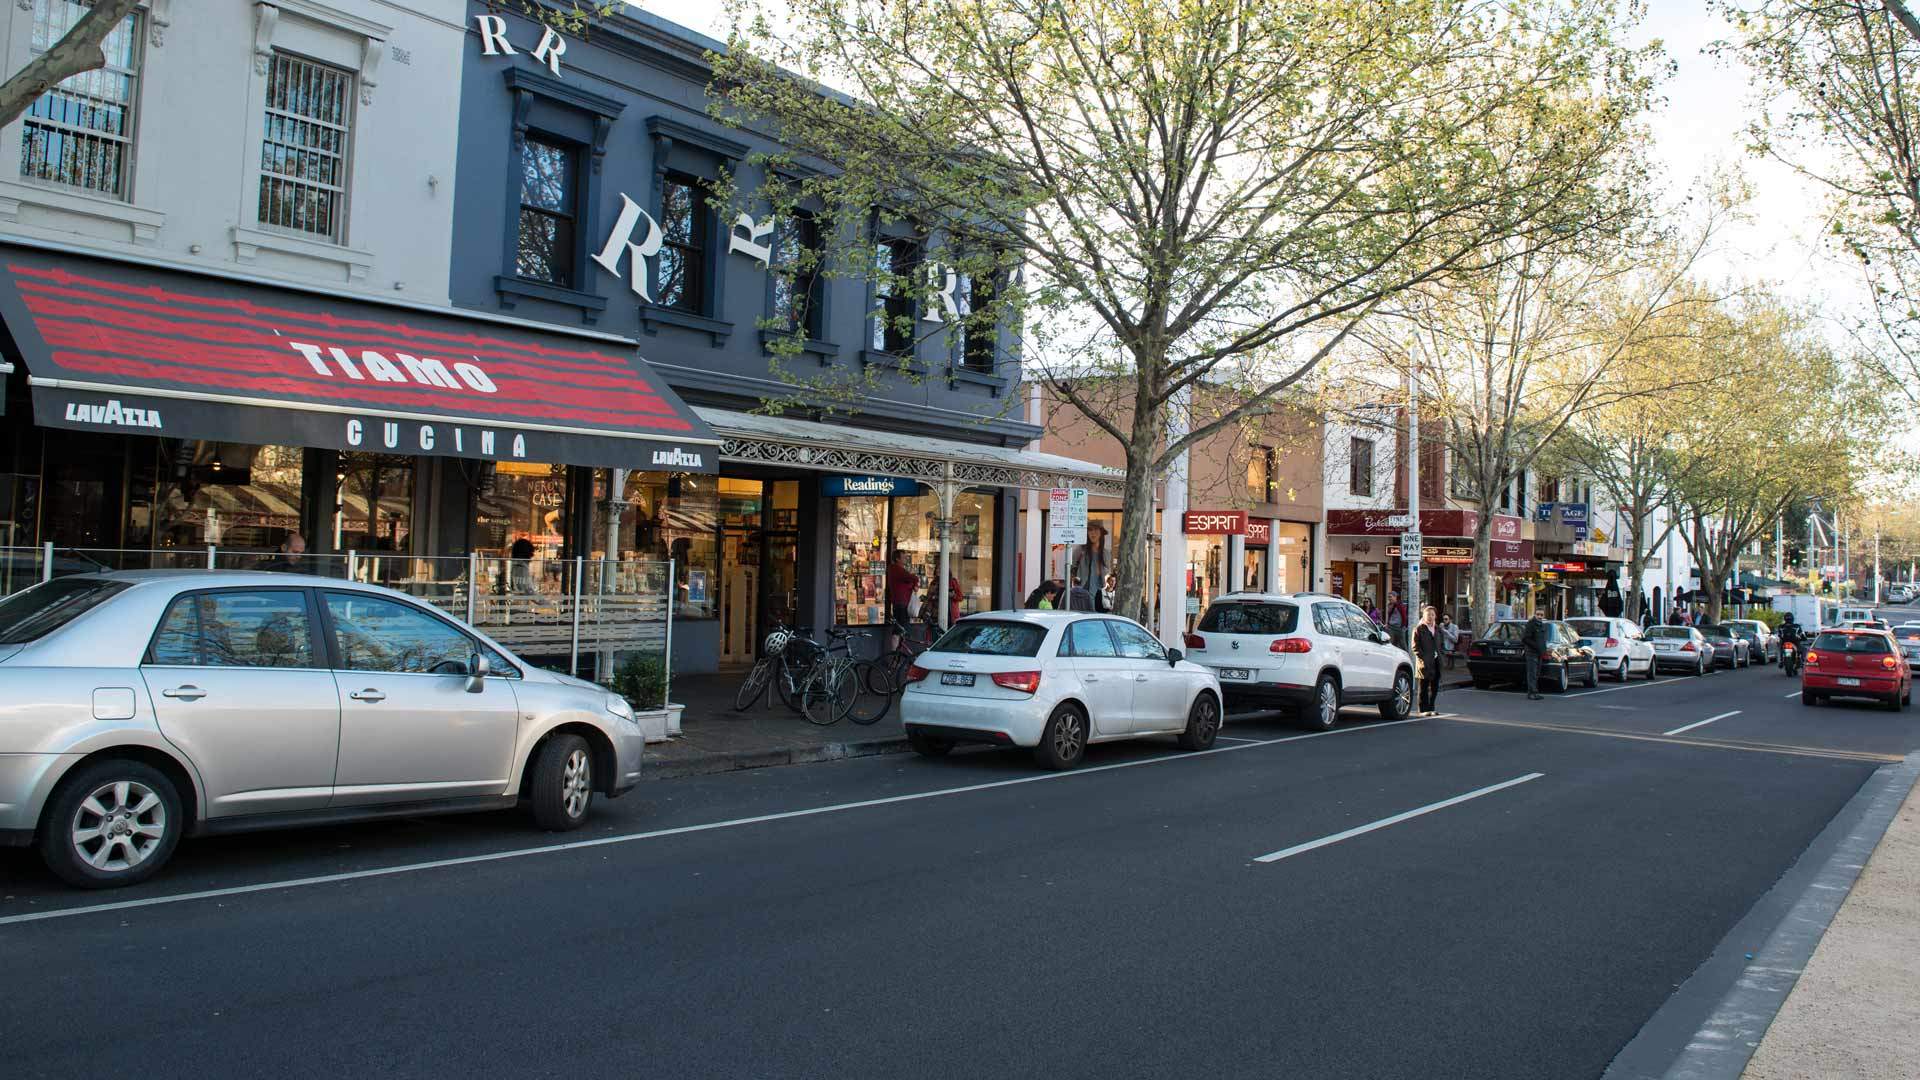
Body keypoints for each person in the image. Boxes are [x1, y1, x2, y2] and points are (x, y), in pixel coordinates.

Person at [1414, 606, 1443, 715]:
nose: (1430, 617)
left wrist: (1441, 655)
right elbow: (1415, 647)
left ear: (1435, 616)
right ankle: (1423, 709)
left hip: (1436, 661)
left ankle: (1431, 707)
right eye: (1428, 615)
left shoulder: (1438, 629)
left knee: (1435, 686)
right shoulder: (1419, 629)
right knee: (1424, 687)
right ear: (1424, 616)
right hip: (1424, 662)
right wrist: (1424, 658)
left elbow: (1442, 645)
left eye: (1432, 614)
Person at [885, 548, 920, 627]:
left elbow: (910, 579)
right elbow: (913, 578)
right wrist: (914, 582)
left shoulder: (899, 570)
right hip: (901, 602)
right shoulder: (896, 569)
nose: (906, 559)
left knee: (902, 627)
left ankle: (900, 639)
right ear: (897, 559)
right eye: (904, 557)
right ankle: (896, 639)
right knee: (900, 628)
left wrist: (913, 584)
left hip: (902, 602)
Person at [1522, 611, 1550, 700]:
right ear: (1534, 615)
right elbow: (1525, 638)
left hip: (1539, 653)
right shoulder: (1531, 624)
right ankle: (1532, 693)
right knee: (1532, 673)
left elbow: (1542, 640)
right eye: (1538, 614)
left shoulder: (1542, 625)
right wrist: (1536, 647)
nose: (1540, 616)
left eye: (1541, 615)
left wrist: (1544, 651)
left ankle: (1535, 692)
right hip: (1531, 652)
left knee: (1537, 673)